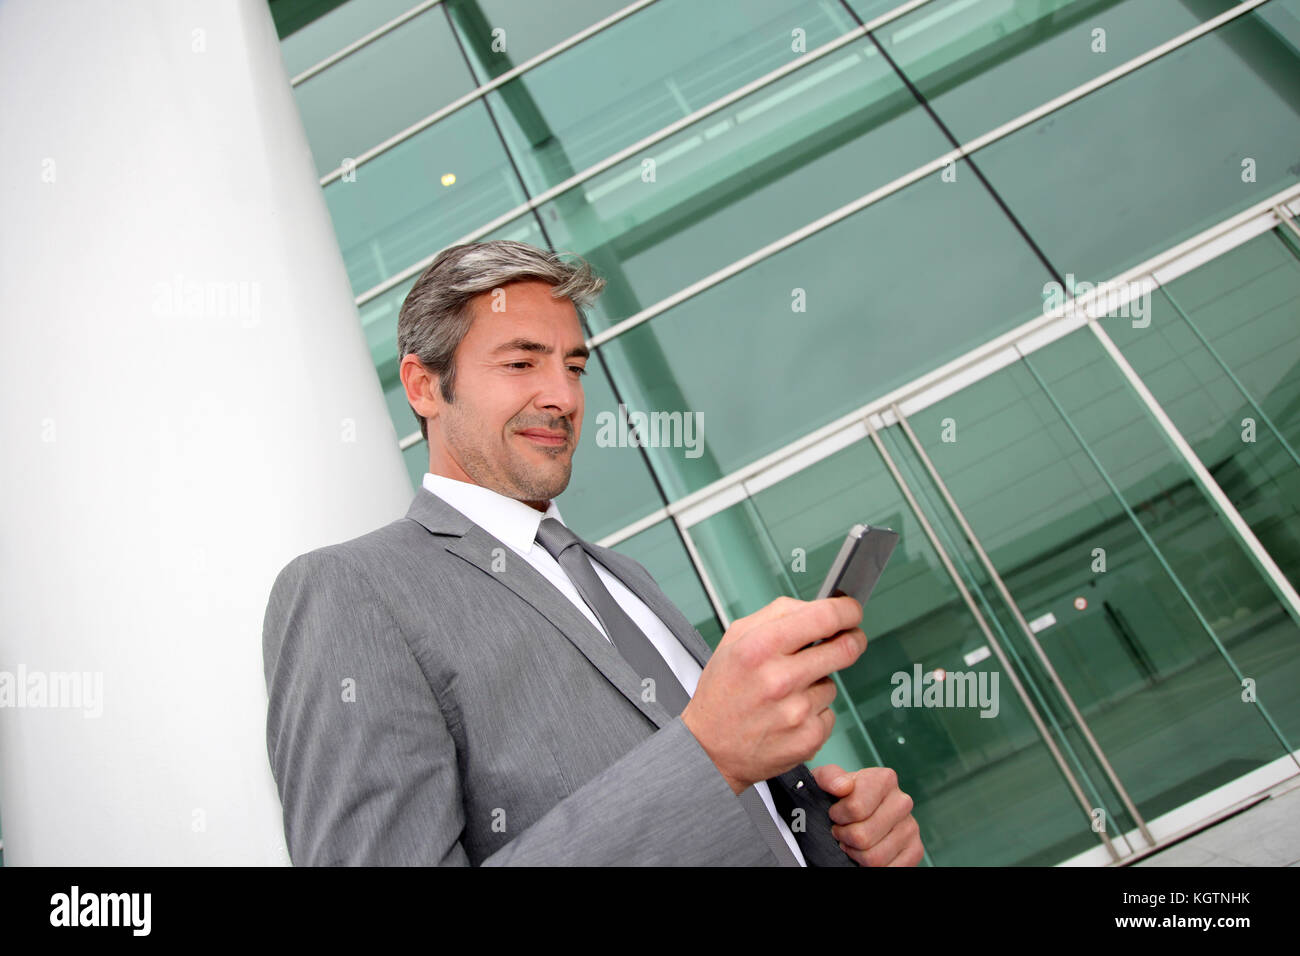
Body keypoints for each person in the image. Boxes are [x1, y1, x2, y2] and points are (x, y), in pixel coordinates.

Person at [262, 239, 923, 866]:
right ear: (424, 386)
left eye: (573, 366)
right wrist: (708, 757)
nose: (563, 397)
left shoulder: (619, 575)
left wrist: (835, 837)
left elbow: (729, 815)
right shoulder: (351, 591)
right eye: (521, 363)